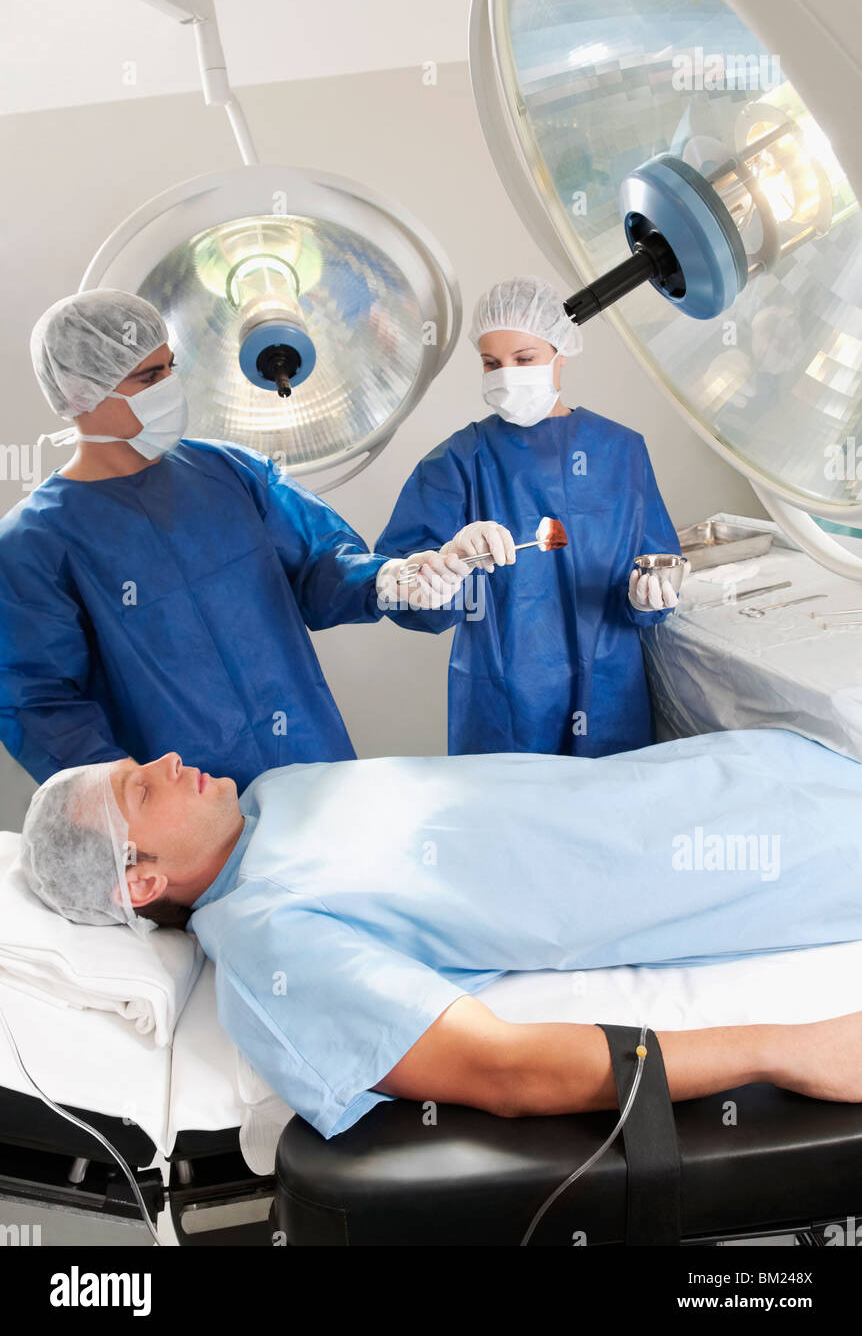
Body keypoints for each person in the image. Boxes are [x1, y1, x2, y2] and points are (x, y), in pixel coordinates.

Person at [20, 727, 862, 1140]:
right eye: (140, 790)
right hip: (773, 863)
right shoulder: (267, 941)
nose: (166, 763)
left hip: (742, 773)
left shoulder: (273, 796)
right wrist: (787, 1049)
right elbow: (503, 1069)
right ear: (141, 879)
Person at [0, 290, 474, 790]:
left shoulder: (226, 470)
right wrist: (127, 797)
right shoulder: (34, 543)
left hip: (312, 768)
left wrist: (390, 578)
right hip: (187, 819)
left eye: (169, 367)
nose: (169, 386)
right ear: (81, 392)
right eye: (147, 377)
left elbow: (319, 562)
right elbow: (40, 703)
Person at [376, 276, 683, 758]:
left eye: (524, 360)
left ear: (561, 355)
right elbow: (397, 580)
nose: (506, 376)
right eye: (491, 363)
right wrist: (442, 572)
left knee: (607, 819)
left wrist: (650, 598)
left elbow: (657, 561)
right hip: (504, 700)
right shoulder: (458, 460)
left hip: (608, 690)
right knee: (510, 823)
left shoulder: (622, 451)